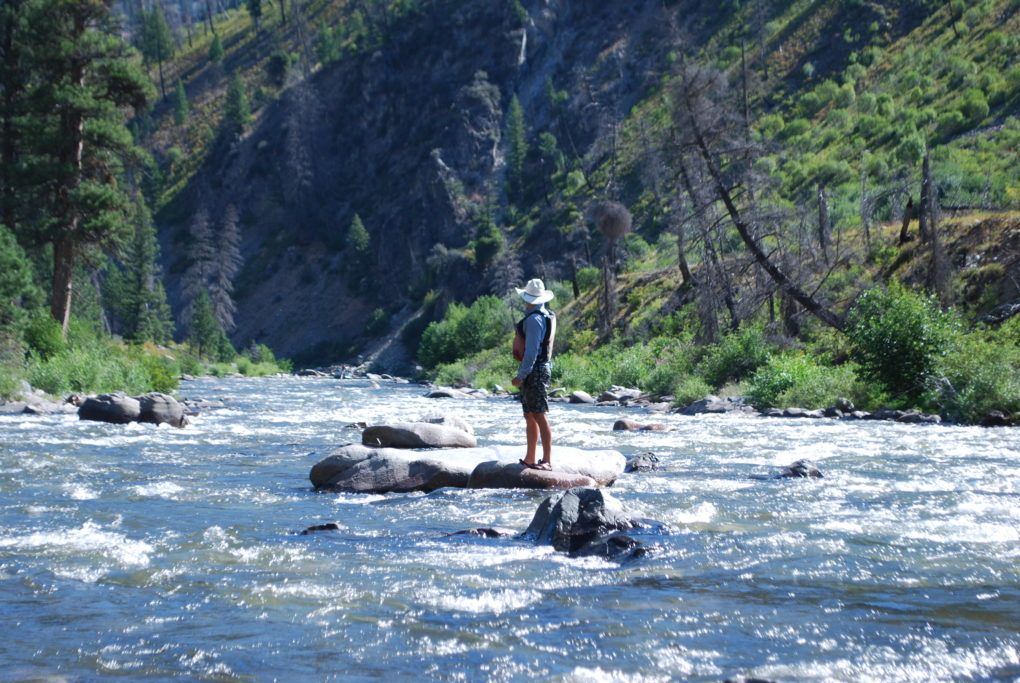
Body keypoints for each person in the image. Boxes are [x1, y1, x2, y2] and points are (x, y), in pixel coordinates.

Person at [512, 279, 556, 470]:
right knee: (530, 415)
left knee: (539, 414)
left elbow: (531, 352)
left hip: (535, 370)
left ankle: (546, 460)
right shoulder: (546, 314)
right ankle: (530, 458)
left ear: (528, 298)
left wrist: (521, 375)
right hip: (538, 368)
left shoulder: (534, 320)